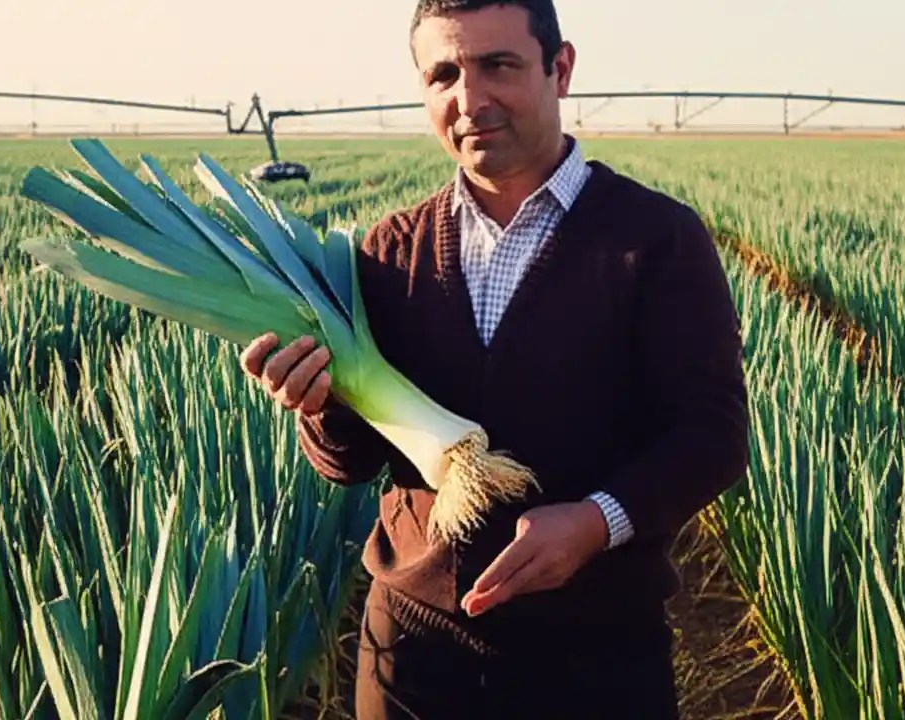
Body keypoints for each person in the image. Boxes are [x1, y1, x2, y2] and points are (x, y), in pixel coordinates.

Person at [239, 1, 750, 717]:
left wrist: (595, 523)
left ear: (560, 67)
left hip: (598, 654)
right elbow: (351, 462)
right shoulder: (387, 252)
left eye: (497, 66)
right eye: (442, 74)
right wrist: (317, 403)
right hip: (412, 652)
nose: (468, 100)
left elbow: (712, 437)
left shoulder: (656, 240)